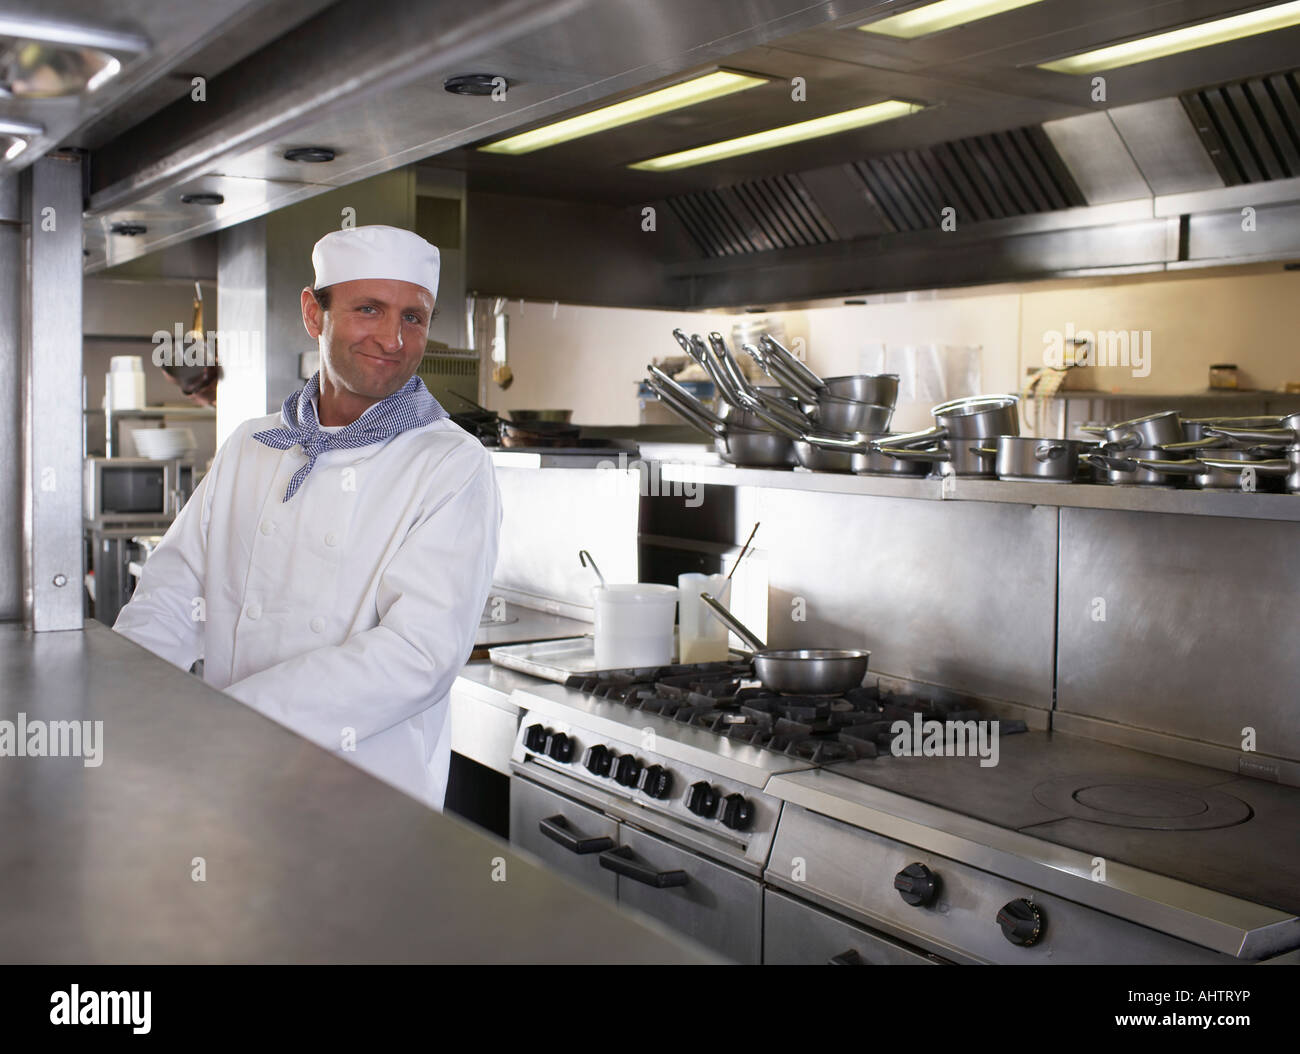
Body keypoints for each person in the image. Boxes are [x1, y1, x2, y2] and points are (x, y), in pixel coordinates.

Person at [115, 224, 502, 810]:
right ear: (313, 314)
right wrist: (118, 711)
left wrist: (230, 724)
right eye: (368, 309)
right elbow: (170, 597)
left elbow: (415, 657)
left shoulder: (451, 463)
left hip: (364, 800)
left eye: (414, 317)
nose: (393, 338)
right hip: (233, 785)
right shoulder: (254, 445)